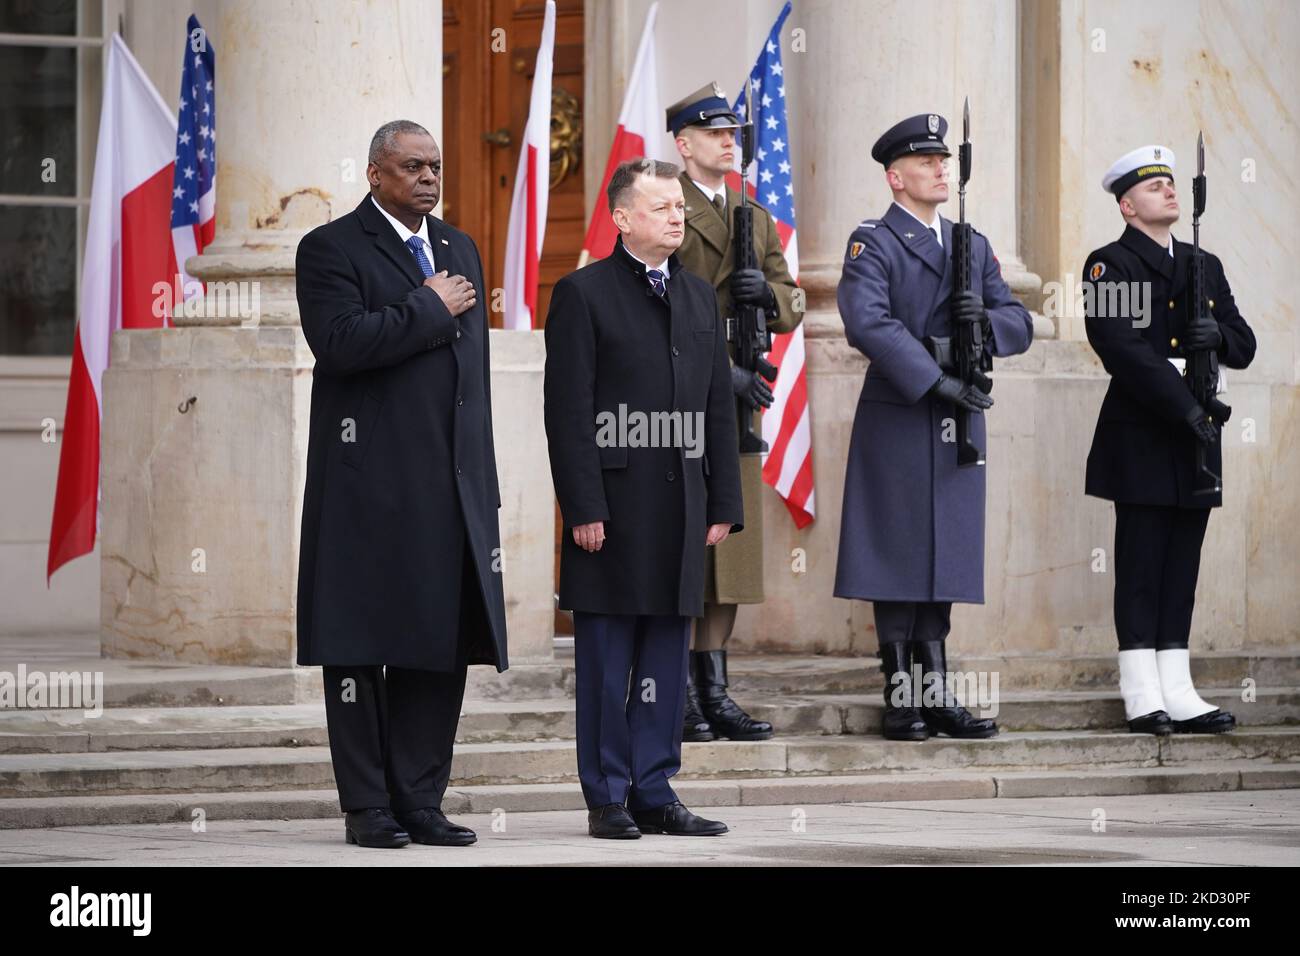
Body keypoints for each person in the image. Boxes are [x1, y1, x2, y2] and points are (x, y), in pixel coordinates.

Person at [295, 120, 507, 848]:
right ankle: (368, 807)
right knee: (359, 648)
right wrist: (427, 307)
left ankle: (420, 799)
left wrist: (484, 481)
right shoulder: (329, 248)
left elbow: (470, 380)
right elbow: (341, 344)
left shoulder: (459, 248)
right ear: (374, 174)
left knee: (438, 647)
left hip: (450, 489)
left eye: (435, 166)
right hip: (368, 491)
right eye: (411, 165)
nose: (427, 177)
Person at [544, 157, 744, 839]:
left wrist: (724, 499)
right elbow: (568, 412)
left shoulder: (696, 297)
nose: (676, 217)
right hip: (615, 508)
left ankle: (656, 789)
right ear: (623, 217)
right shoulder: (582, 293)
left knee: (665, 654)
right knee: (606, 661)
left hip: (683, 506)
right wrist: (584, 506)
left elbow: (718, 405)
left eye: (680, 207)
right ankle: (607, 796)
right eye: (661, 207)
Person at [834, 113, 1033, 741]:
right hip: (904, 409)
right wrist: (937, 367)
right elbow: (868, 323)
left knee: (944, 550)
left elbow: (1018, 322)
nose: (940, 169)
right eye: (925, 162)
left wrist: (981, 329)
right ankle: (901, 695)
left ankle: (936, 692)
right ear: (895, 177)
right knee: (896, 550)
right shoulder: (874, 241)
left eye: (943, 161)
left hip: (957, 415)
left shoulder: (970, 242)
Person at [1083, 144, 1256, 735]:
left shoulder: (1204, 262)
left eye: (1172, 183)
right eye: (1154, 187)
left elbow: (1245, 341)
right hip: (1145, 431)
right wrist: (1184, 407)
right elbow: (1121, 350)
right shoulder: (1110, 264)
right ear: (1128, 206)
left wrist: (1217, 339)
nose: (1169, 191)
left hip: (1198, 430)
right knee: (1141, 561)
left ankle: (1178, 688)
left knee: (1182, 562)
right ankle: (1140, 691)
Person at [666, 81, 801, 743]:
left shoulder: (756, 216)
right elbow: (657, 313)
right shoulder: (667, 208)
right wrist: (727, 373)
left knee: (731, 552)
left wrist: (766, 295)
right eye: (715, 133)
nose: (730, 141)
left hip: (740, 401)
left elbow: (794, 299)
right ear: (683, 144)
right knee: (689, 545)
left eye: (734, 133)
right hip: (687, 395)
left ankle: (715, 692)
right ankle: (677, 696)